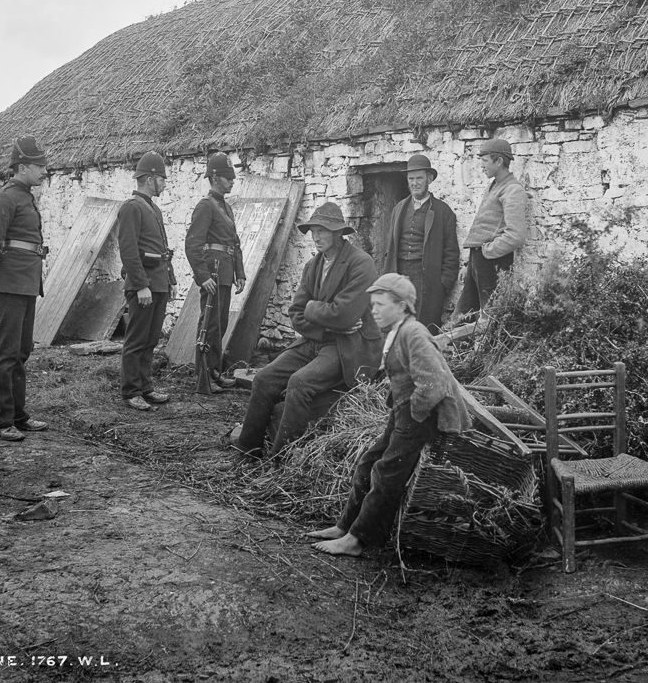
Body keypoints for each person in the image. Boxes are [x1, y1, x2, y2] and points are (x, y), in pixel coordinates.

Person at [309, 273, 471, 557]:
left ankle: (357, 540)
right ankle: (345, 526)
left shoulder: (414, 333)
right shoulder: (398, 330)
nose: (374, 310)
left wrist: (413, 414)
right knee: (368, 462)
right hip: (404, 411)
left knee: (386, 473)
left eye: (380, 305)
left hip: (422, 416)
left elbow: (434, 384)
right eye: (373, 304)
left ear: (402, 306)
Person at [236, 202, 382, 458]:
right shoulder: (312, 266)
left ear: (339, 232)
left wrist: (313, 309)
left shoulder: (361, 263)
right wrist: (326, 323)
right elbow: (296, 314)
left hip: (348, 347)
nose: (316, 236)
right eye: (313, 230)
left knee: (299, 383)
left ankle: (280, 459)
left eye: (322, 230)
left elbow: (344, 314)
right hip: (320, 339)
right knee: (263, 378)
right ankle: (248, 451)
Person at [0, 136, 50, 441]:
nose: (44, 171)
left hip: (25, 283)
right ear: (22, 167)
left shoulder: (24, 196)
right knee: (7, 353)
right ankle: (2, 420)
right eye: (39, 166)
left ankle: (18, 415)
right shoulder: (5, 198)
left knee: (22, 351)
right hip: (10, 284)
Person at [117, 151, 177, 411]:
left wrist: (170, 280)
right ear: (150, 179)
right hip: (143, 285)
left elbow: (162, 249)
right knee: (137, 340)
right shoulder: (131, 207)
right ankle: (131, 391)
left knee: (151, 339)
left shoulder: (153, 208)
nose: (164, 183)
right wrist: (141, 285)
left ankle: (145, 386)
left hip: (158, 283)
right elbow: (128, 250)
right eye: (162, 179)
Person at [184, 152, 245, 392]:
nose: (232, 181)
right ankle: (203, 375)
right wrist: (203, 276)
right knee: (208, 323)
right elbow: (193, 244)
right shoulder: (205, 206)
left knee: (220, 323)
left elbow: (234, 243)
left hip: (226, 272)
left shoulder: (226, 207)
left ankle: (214, 370)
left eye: (233, 177)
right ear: (215, 177)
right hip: (213, 273)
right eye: (228, 177)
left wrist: (239, 272)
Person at [381, 153, 460, 333]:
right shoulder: (399, 208)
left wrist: (442, 286)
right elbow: (389, 248)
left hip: (426, 278)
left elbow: (451, 254)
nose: (414, 183)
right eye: (411, 179)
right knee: (397, 324)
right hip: (399, 273)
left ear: (429, 179)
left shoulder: (443, 212)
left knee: (423, 328)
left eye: (419, 178)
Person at [454, 138, 528, 322]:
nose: (481, 166)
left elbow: (516, 235)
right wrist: (470, 263)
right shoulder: (493, 186)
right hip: (479, 260)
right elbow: (484, 227)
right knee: (463, 316)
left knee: (490, 319)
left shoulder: (512, 190)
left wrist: (487, 252)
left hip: (494, 263)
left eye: (485, 161)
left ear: (499, 161)